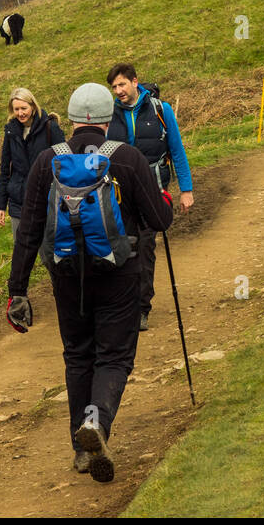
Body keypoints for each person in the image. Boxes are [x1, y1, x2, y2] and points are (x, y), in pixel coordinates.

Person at [6, 82, 173, 483]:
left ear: (73, 118)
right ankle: (96, 423)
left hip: (65, 277)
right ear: (106, 118)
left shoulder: (48, 161)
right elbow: (158, 221)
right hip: (119, 275)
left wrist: (18, 290)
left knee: (78, 355)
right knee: (113, 357)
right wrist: (162, 200)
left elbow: (28, 229)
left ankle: (81, 450)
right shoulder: (127, 158)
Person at [106, 64, 193, 332]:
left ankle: (142, 307)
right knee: (121, 248)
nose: (118, 91)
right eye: (114, 87)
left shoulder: (160, 110)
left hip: (153, 189)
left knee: (145, 248)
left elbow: (176, 150)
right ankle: (122, 305)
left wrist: (186, 189)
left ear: (135, 82)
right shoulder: (109, 115)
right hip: (118, 194)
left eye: (122, 85)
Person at [0, 88, 64, 243]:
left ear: (33, 106)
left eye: (24, 108)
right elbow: (5, 170)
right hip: (18, 202)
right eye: (16, 109)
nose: (20, 113)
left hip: (45, 200)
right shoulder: (10, 132)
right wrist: (0, 206)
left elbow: (65, 163)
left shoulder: (50, 128)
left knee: (49, 251)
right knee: (22, 251)